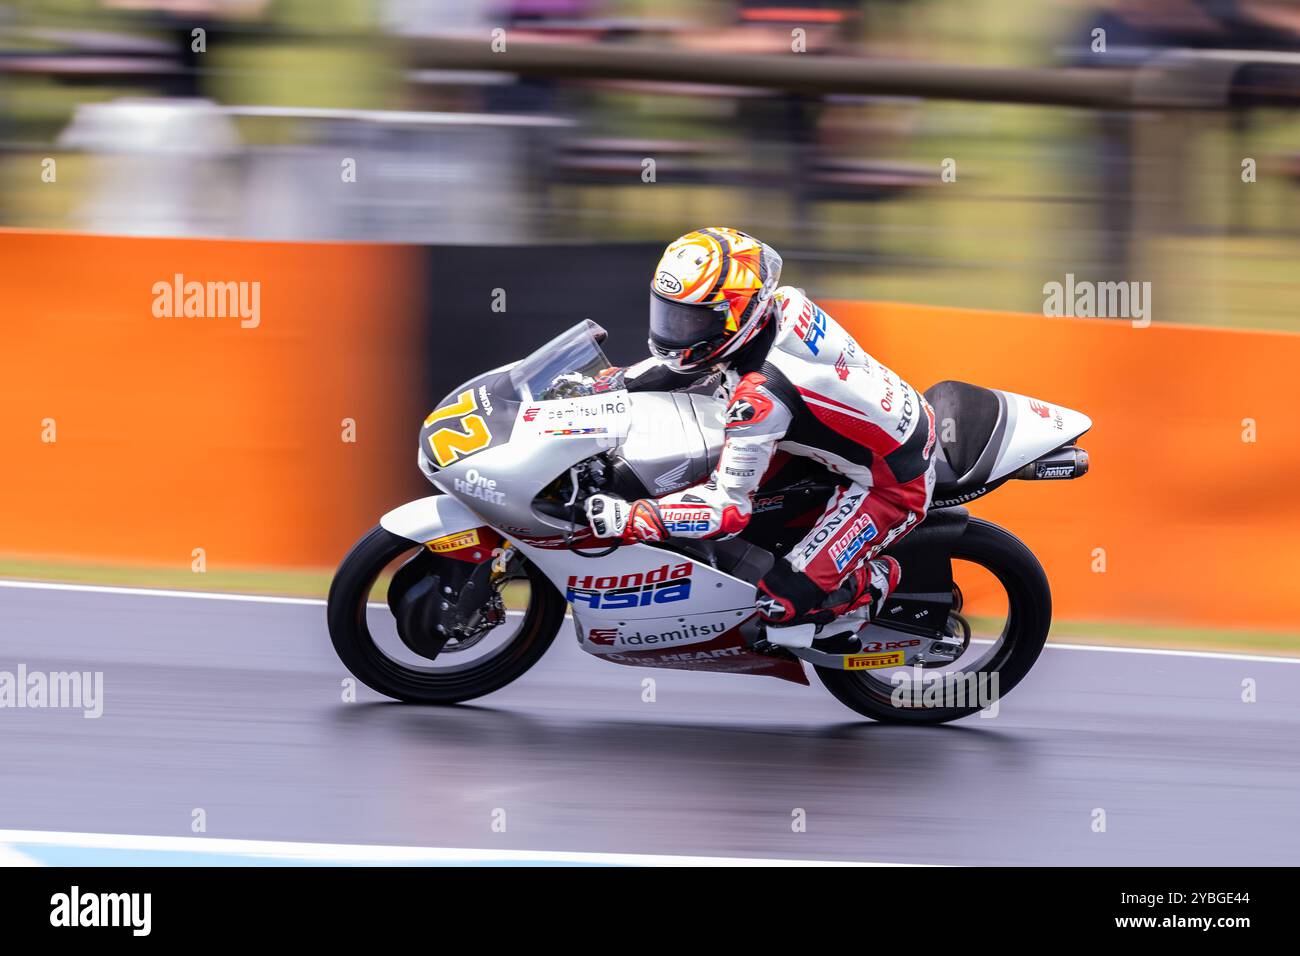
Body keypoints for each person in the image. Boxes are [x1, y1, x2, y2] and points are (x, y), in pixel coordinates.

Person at [585, 227, 937, 643]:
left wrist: (631, 518)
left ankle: (873, 584)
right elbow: (683, 365)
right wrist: (606, 384)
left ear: (740, 314)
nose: (676, 332)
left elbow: (726, 511)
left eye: (691, 320)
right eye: (669, 315)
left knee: (779, 607)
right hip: (841, 436)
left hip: (892, 483)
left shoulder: (762, 397)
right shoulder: (778, 305)